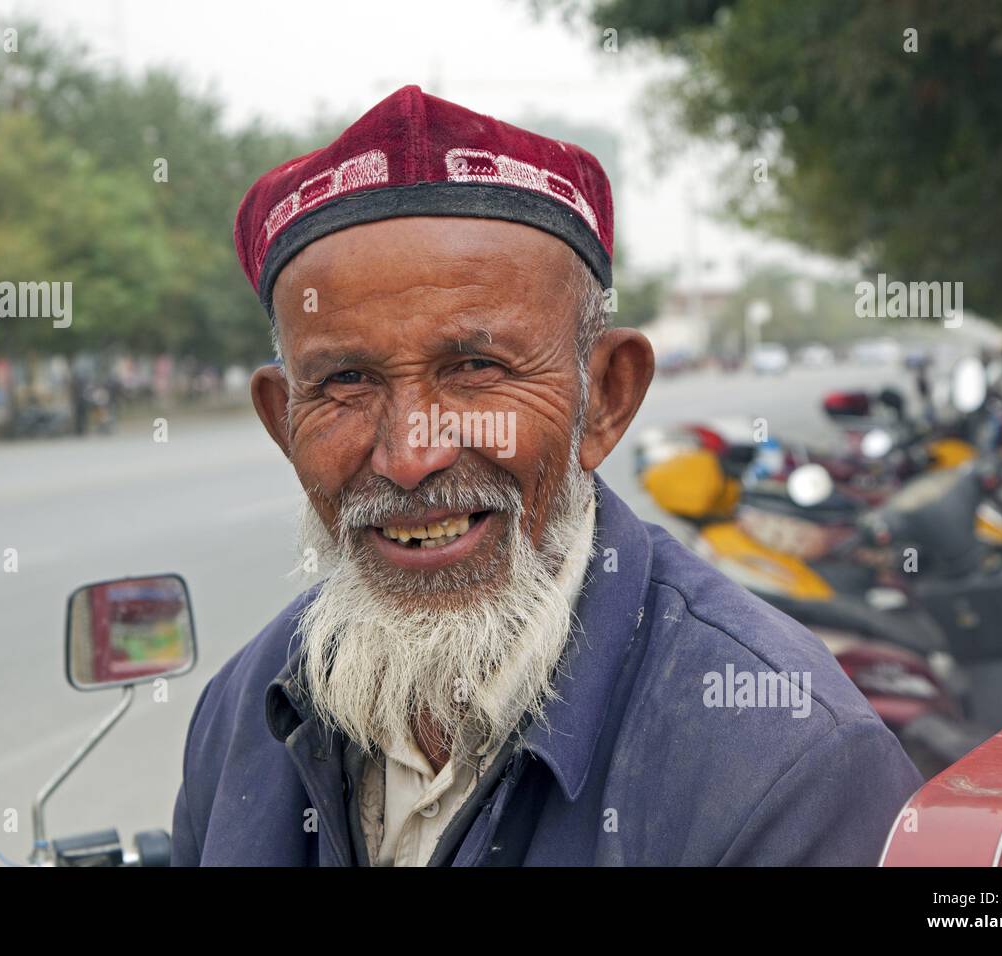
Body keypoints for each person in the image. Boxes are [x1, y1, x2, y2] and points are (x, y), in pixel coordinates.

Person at [172, 86, 923, 866]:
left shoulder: (785, 760)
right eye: (347, 382)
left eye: (474, 368)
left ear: (606, 397)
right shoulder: (241, 714)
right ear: (281, 421)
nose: (408, 456)